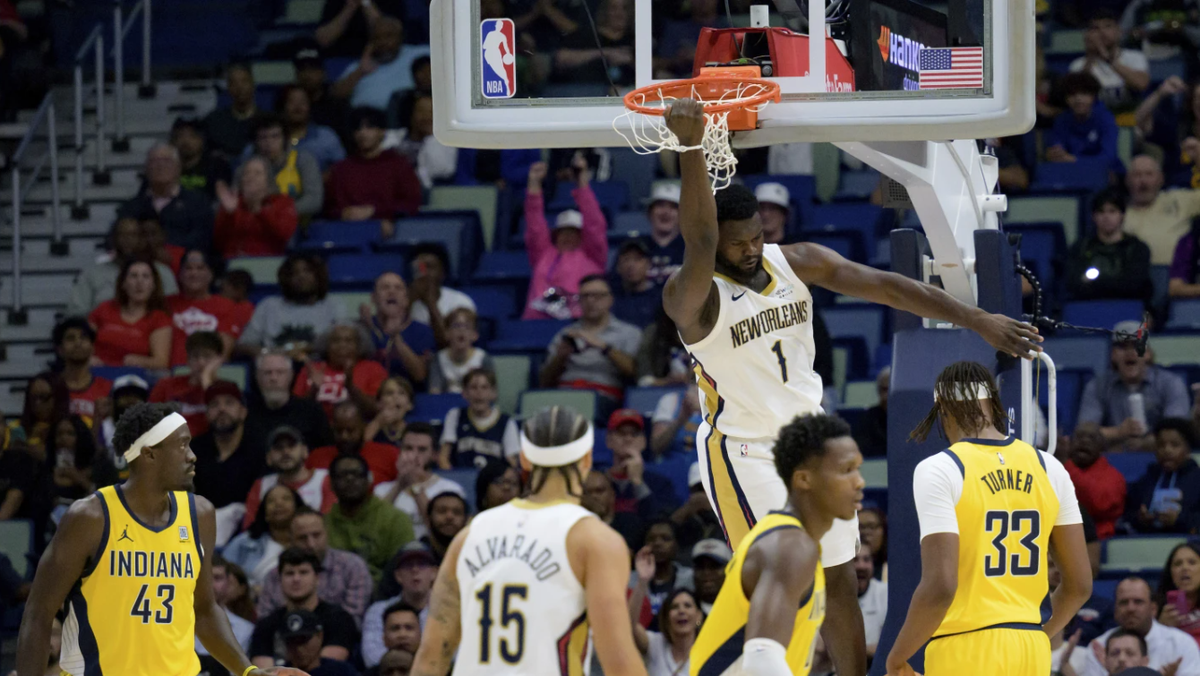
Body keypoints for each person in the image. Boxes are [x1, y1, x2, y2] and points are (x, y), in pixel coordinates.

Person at [660, 98, 1042, 676]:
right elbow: (697, 240)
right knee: (777, 571)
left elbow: (888, 287)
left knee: (838, 580)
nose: (750, 248)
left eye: (756, 236)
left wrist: (975, 318)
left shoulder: (794, 262)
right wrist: (692, 146)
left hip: (812, 440)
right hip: (745, 450)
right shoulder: (694, 297)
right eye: (736, 242)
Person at [13, 402, 306, 676]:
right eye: (182, 445)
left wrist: (248, 671)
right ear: (149, 453)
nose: (192, 455)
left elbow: (204, 611)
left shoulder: (200, 514)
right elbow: (38, 615)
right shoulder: (90, 518)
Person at [884, 361, 1092, 676]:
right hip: (1031, 650)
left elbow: (941, 586)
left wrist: (898, 656)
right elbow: (1079, 585)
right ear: (994, 404)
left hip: (965, 647)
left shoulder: (940, 468)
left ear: (943, 410)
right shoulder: (1049, 467)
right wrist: (1040, 634)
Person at [411, 406, 648, 676]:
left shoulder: (469, 534)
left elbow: (430, 658)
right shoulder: (595, 539)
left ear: (524, 459)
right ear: (586, 459)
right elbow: (619, 662)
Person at [690, 414, 863, 676]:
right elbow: (761, 660)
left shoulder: (802, 544)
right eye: (845, 471)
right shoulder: (789, 548)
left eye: (857, 469)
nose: (859, 481)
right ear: (804, 480)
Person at [1076, 321, 1191, 451]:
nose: (1130, 352)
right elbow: (1084, 433)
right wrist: (1119, 432)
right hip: (1113, 458)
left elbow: (1177, 432)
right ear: (1113, 354)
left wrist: (1145, 443)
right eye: (1122, 346)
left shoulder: (1171, 383)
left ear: (1148, 353)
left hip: (1159, 457)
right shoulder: (1097, 386)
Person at [540, 275, 642, 418]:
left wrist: (604, 347)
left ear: (610, 299)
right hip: (564, 393)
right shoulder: (565, 334)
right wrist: (560, 358)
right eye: (585, 296)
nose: (590, 301)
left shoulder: (629, 333)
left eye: (598, 296)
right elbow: (544, 382)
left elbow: (635, 373)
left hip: (604, 396)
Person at [523, 157, 609, 320]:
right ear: (556, 235)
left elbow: (594, 224)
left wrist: (582, 182)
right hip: (538, 323)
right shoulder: (543, 255)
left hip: (580, 323)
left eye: (574, 232)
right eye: (564, 232)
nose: (568, 237)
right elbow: (534, 225)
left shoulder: (593, 257)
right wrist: (534, 183)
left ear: (582, 236)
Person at [248, 548, 358, 667]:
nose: (296, 579)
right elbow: (262, 670)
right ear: (280, 579)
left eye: (303, 572)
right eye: (289, 573)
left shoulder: (339, 619)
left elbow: (328, 666)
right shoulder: (266, 625)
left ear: (317, 578)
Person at [324, 107, 422, 234]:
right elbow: (329, 208)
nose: (363, 133)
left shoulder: (399, 165)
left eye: (369, 127)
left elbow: (411, 204)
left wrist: (374, 211)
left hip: (391, 231)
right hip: (346, 231)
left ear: (382, 131)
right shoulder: (341, 169)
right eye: (358, 128)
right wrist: (344, 213)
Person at [1078, 577, 1200, 676]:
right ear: (1115, 610)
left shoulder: (1181, 643)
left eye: (1138, 602)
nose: (1130, 608)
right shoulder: (1099, 646)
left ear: (1153, 609)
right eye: (1124, 602)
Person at [323, 454, 414, 581]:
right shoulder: (323, 524)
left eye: (357, 474)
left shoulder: (396, 519)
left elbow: (406, 569)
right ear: (331, 484)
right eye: (342, 475)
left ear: (368, 480)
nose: (350, 479)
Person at [237, 254, 344, 358]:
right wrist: (270, 352)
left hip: (318, 366)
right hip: (274, 366)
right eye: (295, 273)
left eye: (307, 271)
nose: (301, 276)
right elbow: (243, 346)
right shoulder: (269, 305)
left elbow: (343, 343)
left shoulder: (333, 305)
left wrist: (306, 348)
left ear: (318, 276)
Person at [67, 217, 178, 316]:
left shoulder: (162, 272)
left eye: (133, 234)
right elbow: (75, 313)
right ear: (113, 239)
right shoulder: (92, 274)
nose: (128, 239)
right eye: (122, 235)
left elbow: (174, 311)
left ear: (143, 239)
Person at [116, 144, 215, 253]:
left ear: (178, 168)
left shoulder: (198, 203)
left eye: (166, 161)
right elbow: (115, 239)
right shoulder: (131, 207)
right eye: (154, 161)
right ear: (146, 169)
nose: (160, 166)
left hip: (184, 260)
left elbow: (202, 239)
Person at [373, 423, 465, 540]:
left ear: (434, 455)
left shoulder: (450, 489)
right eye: (408, 448)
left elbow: (440, 531)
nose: (414, 455)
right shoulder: (381, 490)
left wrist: (415, 485)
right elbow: (374, 526)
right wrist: (399, 485)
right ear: (399, 452)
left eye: (422, 450)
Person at [191, 380, 268, 519]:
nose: (222, 409)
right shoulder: (193, 450)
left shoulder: (260, 449)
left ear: (243, 412)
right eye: (214, 404)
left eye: (229, 403)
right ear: (206, 414)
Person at [1064, 189, 1153, 305]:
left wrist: (1093, 282)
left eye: (1112, 211)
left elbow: (1134, 285)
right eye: (1101, 212)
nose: (1106, 217)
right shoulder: (1080, 247)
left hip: (1126, 306)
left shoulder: (1137, 248)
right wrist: (1116, 282)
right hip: (1088, 306)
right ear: (1093, 216)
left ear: (1122, 215)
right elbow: (1073, 284)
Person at [361, 542, 439, 667]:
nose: (415, 570)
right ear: (398, 576)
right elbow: (372, 657)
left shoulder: (450, 611)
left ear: (434, 573)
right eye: (408, 565)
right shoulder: (378, 611)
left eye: (422, 564)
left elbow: (456, 655)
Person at [88, 259, 173, 369]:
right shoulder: (104, 309)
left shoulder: (159, 318)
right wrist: (87, 358)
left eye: (146, 276)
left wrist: (141, 361)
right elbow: (83, 341)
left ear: (153, 285)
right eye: (133, 276)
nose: (139, 282)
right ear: (123, 283)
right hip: (97, 372)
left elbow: (161, 362)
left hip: (134, 375)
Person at [331, 17, 430, 110]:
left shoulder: (420, 53)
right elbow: (335, 96)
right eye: (377, 38)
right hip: (367, 118)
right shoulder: (359, 67)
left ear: (401, 37)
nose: (383, 42)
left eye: (388, 36)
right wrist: (360, 71)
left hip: (408, 117)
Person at [1068, 10, 1150, 118]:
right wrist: (1091, 56)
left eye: (1108, 26)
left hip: (1129, 118)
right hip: (1094, 120)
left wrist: (1109, 60)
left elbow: (1141, 84)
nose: (1102, 32)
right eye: (1095, 28)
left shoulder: (1134, 57)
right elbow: (1078, 95)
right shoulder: (1078, 64)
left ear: (1119, 32)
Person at [245, 353, 336, 451]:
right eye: (267, 373)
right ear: (257, 377)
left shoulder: (312, 411)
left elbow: (326, 450)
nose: (273, 378)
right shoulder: (246, 413)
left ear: (291, 375)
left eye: (280, 372)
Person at [293, 324, 388, 418]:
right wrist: (314, 390)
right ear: (326, 345)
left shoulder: (373, 369)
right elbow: (295, 412)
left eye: (349, 341)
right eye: (336, 341)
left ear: (359, 346)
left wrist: (350, 387)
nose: (342, 345)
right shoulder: (311, 370)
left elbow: (377, 411)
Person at [244, 427, 332, 527]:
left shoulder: (325, 479)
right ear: (268, 458)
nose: (285, 452)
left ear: (305, 451)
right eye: (278, 447)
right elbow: (249, 528)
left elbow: (329, 525)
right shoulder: (261, 485)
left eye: (291, 445)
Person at [1125, 418, 1200, 534]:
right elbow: (1127, 515)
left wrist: (1179, 520)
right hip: (1147, 542)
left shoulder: (1197, 480)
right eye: (1161, 445)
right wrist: (1140, 519)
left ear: (1188, 449)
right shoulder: (1146, 480)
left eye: (1175, 445)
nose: (1167, 450)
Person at [214, 156, 299, 258]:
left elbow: (284, 234)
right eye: (247, 173)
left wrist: (259, 209)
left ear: (268, 179)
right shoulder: (233, 202)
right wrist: (229, 214)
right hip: (234, 262)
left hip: (268, 261)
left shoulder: (282, 202)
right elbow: (219, 242)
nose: (251, 177)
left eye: (257, 173)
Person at [628, 565, 704, 676]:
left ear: (699, 616)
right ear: (666, 617)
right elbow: (630, 625)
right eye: (674, 607)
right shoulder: (655, 644)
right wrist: (642, 581)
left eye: (687, 606)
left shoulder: (708, 651)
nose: (681, 611)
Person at [167, 250, 240, 366]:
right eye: (188, 268)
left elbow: (223, 353)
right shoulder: (166, 303)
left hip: (208, 371)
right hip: (169, 371)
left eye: (200, 268)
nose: (194, 273)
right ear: (180, 274)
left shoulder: (226, 305)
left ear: (211, 274)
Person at [360, 272, 434, 384]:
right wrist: (366, 330)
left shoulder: (423, 331)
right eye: (385, 287)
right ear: (373, 298)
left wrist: (397, 339)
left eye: (398, 288)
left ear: (406, 299)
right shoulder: (362, 328)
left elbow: (420, 374)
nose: (392, 291)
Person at [437, 369, 519, 469]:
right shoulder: (455, 415)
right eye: (473, 387)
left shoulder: (506, 422)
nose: (479, 392)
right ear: (465, 393)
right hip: (459, 477)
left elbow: (512, 463)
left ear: (494, 393)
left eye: (484, 387)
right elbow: (443, 458)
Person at [223, 484, 301, 588]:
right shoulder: (244, 542)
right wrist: (249, 589)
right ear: (265, 513)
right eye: (271, 501)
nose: (278, 503)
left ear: (298, 507)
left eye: (286, 499)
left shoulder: (310, 540)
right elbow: (222, 574)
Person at [149, 331, 226, 435]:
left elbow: (222, 424)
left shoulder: (226, 390)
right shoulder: (166, 385)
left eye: (207, 356)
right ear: (188, 360)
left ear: (219, 360)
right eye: (195, 356)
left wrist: (206, 380)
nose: (201, 362)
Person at [307, 401, 400, 486]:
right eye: (338, 431)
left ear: (363, 427)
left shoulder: (389, 455)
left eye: (350, 431)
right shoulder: (316, 457)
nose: (344, 436)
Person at [1065, 422, 1127, 539]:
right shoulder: (1055, 470)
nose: (1084, 441)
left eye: (1092, 438)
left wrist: (1067, 466)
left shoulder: (1114, 477)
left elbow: (1098, 506)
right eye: (1079, 437)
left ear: (1101, 445)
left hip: (1101, 540)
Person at [54, 318, 111, 427]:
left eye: (83, 337)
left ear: (93, 347)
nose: (78, 343)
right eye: (70, 338)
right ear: (60, 349)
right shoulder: (51, 387)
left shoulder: (108, 388)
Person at [276, 85, 345, 173]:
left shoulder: (326, 136)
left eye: (303, 101)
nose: (298, 106)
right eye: (292, 101)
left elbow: (342, 168)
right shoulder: (273, 137)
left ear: (310, 106)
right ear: (283, 106)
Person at [275, 609, 359, 676]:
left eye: (304, 640)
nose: (298, 648)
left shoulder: (341, 671)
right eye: (292, 641)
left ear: (320, 636)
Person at [427, 310, 492, 394]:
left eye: (467, 326)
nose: (461, 330)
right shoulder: (438, 359)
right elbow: (434, 392)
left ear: (475, 335)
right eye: (456, 326)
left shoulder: (483, 358)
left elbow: (490, 393)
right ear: (447, 333)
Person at [205, 63, 258, 159]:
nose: (240, 87)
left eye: (244, 81)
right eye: (234, 83)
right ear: (228, 88)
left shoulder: (265, 121)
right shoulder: (215, 121)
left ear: (253, 85)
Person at [171, 116, 232, 200]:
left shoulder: (217, 167)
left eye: (192, 136)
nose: (185, 141)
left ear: (202, 140)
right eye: (180, 136)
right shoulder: (167, 167)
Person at [610, 239, 661, 330]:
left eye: (637, 259)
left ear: (648, 264)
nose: (631, 265)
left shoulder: (661, 299)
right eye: (626, 259)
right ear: (618, 267)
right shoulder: (611, 299)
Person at [1157, 542, 1200, 647]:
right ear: (1170, 573)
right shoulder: (1157, 608)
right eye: (1178, 564)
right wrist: (1161, 628)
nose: (1184, 568)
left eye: (1192, 562)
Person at [365, 376, 414, 446]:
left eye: (401, 393)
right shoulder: (369, 426)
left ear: (410, 405)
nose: (395, 397)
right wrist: (378, 422)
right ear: (379, 404)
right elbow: (359, 447)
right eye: (389, 393)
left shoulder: (414, 431)